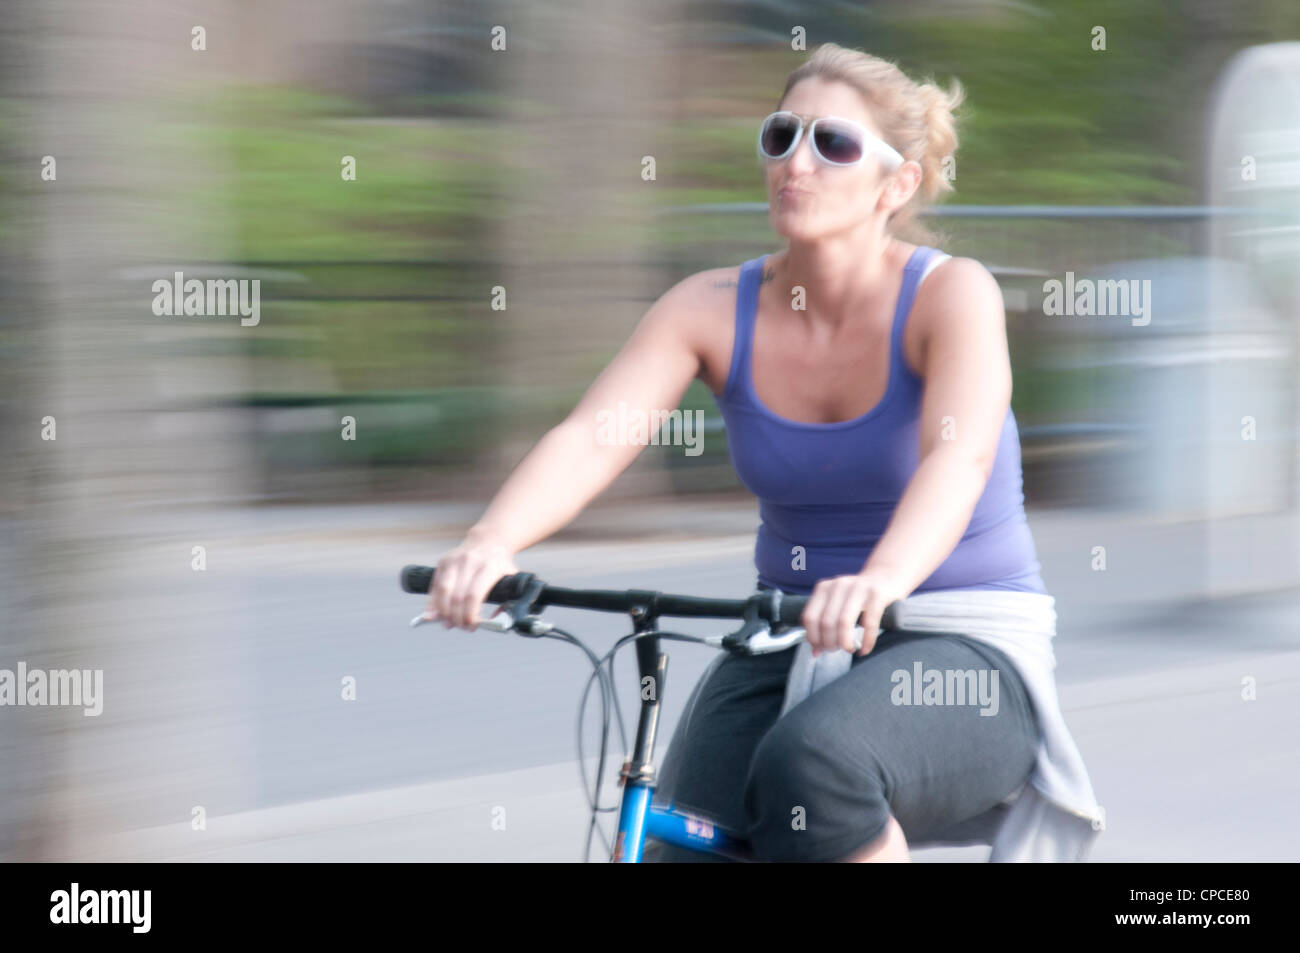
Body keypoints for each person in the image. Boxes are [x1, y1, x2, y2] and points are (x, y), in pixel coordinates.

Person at [424, 43, 1102, 862]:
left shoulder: (951, 295)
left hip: (962, 641)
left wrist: (879, 581)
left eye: (833, 144)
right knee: (674, 843)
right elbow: (594, 435)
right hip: (788, 631)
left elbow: (955, 460)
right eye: (781, 136)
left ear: (898, 183)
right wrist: (490, 542)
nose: (796, 162)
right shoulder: (707, 307)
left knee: (816, 765)